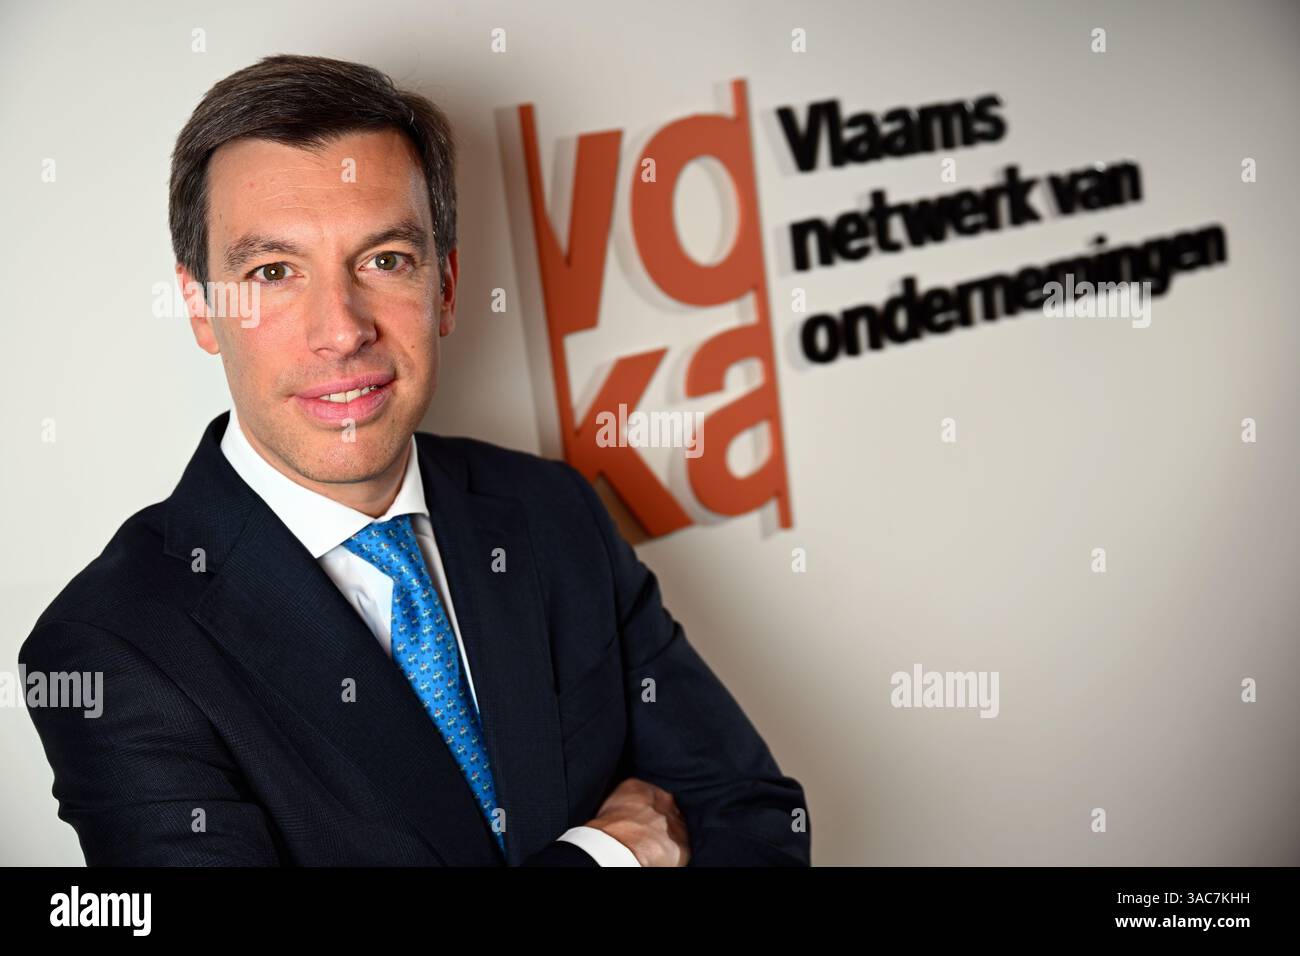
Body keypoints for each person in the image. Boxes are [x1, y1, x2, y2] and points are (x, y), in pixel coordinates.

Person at [18, 54, 810, 867]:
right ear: (200, 306)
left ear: (447, 286)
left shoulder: (548, 509)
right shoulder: (112, 651)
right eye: (274, 273)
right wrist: (606, 858)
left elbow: (751, 814)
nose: (342, 328)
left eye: (385, 260)